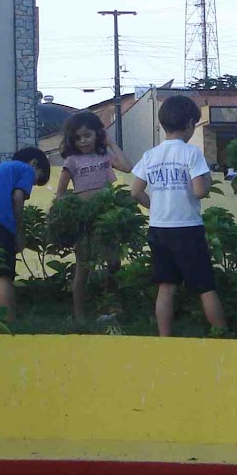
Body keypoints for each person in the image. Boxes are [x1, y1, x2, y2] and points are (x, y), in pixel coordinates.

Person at [131, 95, 228, 337]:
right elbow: (200, 191)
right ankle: (222, 335)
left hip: (159, 228)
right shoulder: (191, 154)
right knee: (205, 286)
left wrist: (154, 207)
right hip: (187, 228)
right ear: (188, 124)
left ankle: (165, 339)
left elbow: (135, 191)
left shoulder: (150, 156)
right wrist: (205, 181)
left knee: (166, 287)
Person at [54, 111, 133, 322]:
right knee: (83, 266)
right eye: (78, 138)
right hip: (84, 221)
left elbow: (127, 167)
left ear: (97, 134)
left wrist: (111, 143)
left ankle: (111, 308)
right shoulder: (71, 161)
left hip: (106, 217)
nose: (83, 141)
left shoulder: (104, 157)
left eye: (87, 135)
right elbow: (60, 194)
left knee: (114, 263)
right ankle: (79, 315)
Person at [0, 146, 51, 323]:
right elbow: (18, 197)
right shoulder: (26, 169)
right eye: (37, 180)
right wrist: (19, 231)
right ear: (35, 163)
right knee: (5, 274)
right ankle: (10, 322)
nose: (33, 185)